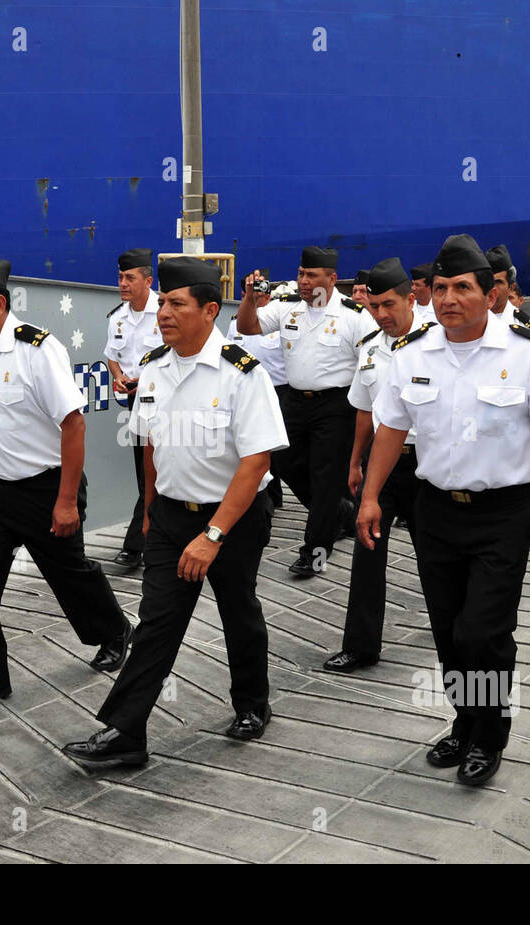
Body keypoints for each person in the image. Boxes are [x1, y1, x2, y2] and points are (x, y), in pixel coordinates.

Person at [357, 233, 530, 786]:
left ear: (490, 293)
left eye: (462, 287)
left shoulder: (528, 357)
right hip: (434, 510)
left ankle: (490, 734)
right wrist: (369, 497)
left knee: (482, 631)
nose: (448, 298)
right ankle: (464, 721)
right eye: (439, 288)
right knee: (447, 629)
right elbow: (391, 430)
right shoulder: (413, 355)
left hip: (503, 513)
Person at [62, 256, 289, 767]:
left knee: (238, 610)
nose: (163, 311)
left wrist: (212, 535)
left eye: (175, 303)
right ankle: (126, 732)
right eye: (162, 301)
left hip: (233, 517)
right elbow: (148, 443)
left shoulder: (240, 373)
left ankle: (252, 704)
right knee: (157, 622)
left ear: (210, 310)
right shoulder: (153, 369)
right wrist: (149, 509)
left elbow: (256, 462)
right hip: (169, 516)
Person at [0, 258, 132, 713]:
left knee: (70, 576)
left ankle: (115, 629)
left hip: (45, 491)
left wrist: (66, 502)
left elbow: (73, 424)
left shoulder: (37, 350)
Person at [235, 246, 377, 577]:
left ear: (330, 278)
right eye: (300, 273)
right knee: (282, 461)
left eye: (311, 274)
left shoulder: (354, 315)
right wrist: (248, 299)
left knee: (326, 478)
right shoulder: (288, 311)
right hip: (295, 401)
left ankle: (314, 554)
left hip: (336, 405)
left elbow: (369, 363)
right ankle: (336, 512)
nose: (303, 280)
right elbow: (248, 326)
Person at [324, 257, 426, 673]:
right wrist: (354, 463)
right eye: (374, 307)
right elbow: (364, 412)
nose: (381, 314)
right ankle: (361, 645)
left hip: (428, 463)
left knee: (437, 556)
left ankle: (456, 632)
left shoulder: (437, 342)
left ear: (410, 298)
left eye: (389, 305)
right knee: (368, 552)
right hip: (382, 466)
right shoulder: (369, 349)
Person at [103, 248, 162, 569]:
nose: (123, 284)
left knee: (153, 474)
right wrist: (118, 376)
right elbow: (112, 356)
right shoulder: (118, 318)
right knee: (146, 475)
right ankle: (150, 539)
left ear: (147, 280)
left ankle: (135, 546)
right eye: (120, 277)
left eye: (130, 278)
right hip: (132, 400)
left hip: (162, 401)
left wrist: (144, 380)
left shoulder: (165, 311)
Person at [227, 277, 287, 510]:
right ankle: (265, 497)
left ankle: (274, 495)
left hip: (279, 391)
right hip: (247, 392)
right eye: (251, 291)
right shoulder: (236, 324)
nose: (258, 294)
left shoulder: (280, 319)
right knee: (253, 446)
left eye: (262, 290)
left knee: (278, 450)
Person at [485, 244, 530, 330]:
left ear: (511, 287)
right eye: (488, 281)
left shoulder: (528, 327)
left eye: (498, 282)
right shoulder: (466, 321)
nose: (492, 288)